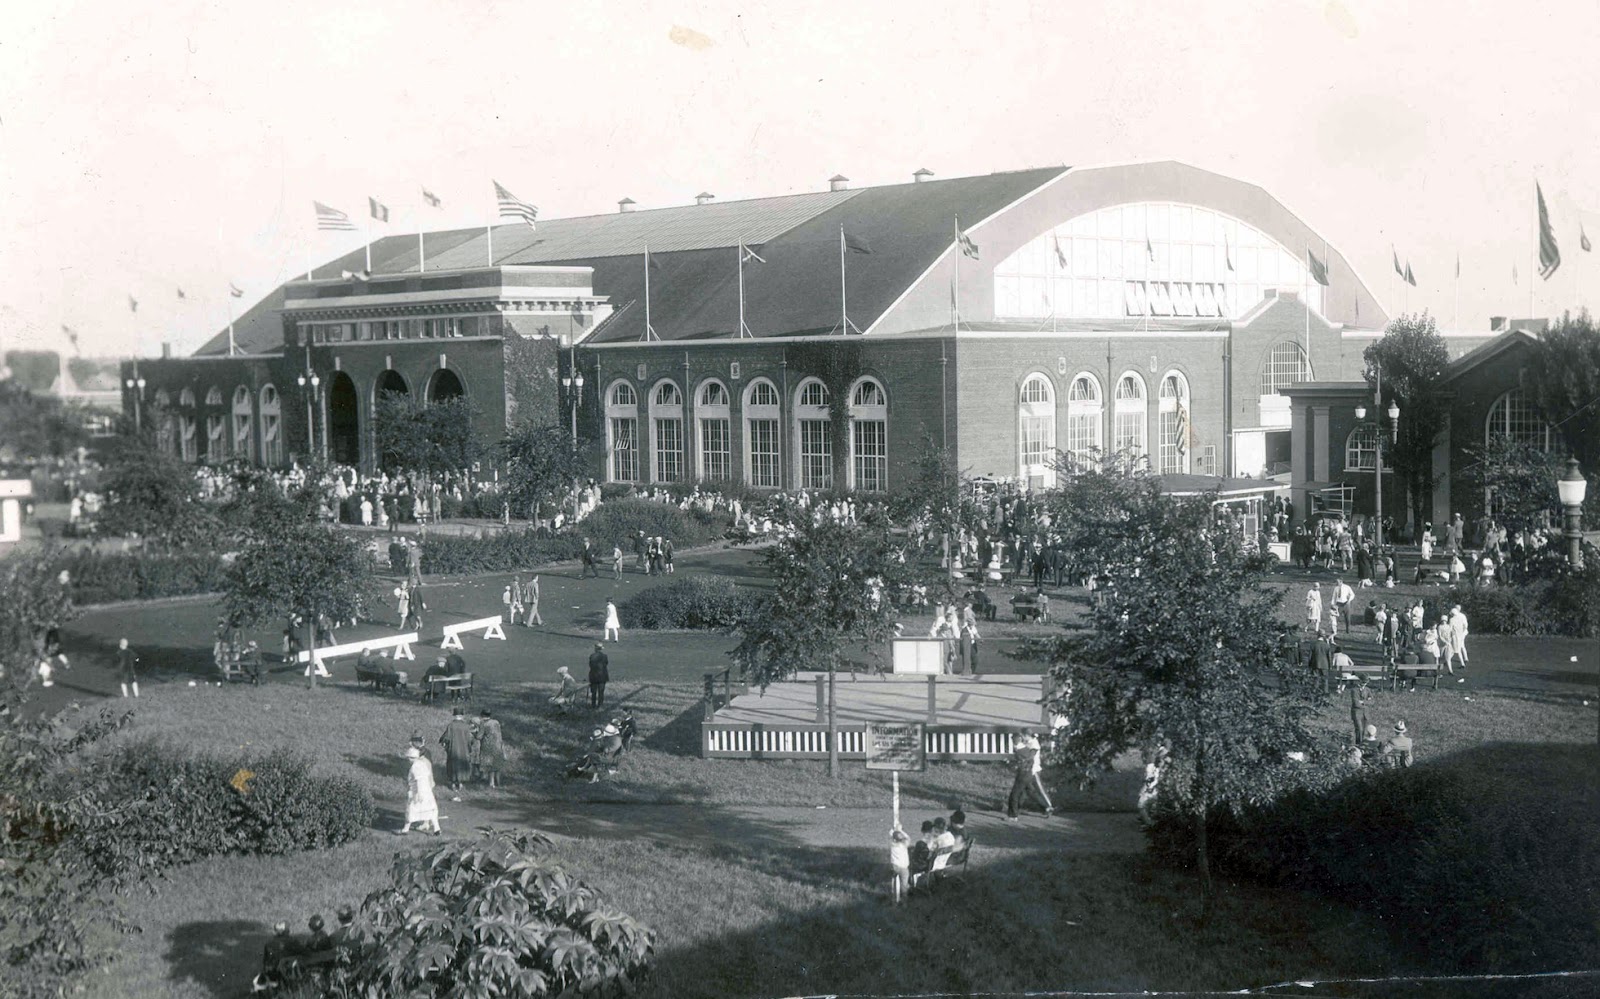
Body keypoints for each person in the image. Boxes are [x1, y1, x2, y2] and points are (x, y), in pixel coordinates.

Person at [401, 746, 441, 835]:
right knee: (430, 810)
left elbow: (419, 780)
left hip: (418, 792)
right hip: (427, 792)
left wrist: (418, 793)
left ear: (411, 758)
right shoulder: (422, 764)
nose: (408, 760)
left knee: (411, 810)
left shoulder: (415, 767)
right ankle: (436, 828)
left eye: (409, 758)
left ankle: (405, 829)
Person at [440, 707, 474, 797]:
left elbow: (446, 738)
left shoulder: (451, 725)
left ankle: (453, 784)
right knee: (462, 764)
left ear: (454, 715)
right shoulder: (466, 726)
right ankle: (461, 783)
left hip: (453, 749)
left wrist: (444, 743)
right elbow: (470, 739)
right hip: (464, 749)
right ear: (462, 716)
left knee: (453, 765)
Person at [476, 709, 505, 788]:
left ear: (482, 715)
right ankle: (498, 781)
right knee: (497, 764)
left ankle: (491, 783)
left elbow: (479, 736)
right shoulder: (496, 722)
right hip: (498, 745)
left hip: (488, 746)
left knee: (490, 765)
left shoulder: (483, 724)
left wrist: (475, 732)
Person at [889, 826, 912, 903]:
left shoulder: (892, 845)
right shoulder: (904, 845)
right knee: (904, 885)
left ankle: (894, 899)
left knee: (894, 883)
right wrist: (901, 830)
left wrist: (894, 830)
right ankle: (904, 902)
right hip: (903, 868)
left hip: (894, 867)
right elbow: (908, 838)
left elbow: (891, 834)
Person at [588, 643, 610, 708]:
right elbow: (606, 663)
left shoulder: (592, 656)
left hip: (594, 676)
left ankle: (593, 704)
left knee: (593, 692)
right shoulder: (605, 656)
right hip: (602, 676)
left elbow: (590, 665)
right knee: (601, 692)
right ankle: (600, 705)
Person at [1448, 604, 1470, 670]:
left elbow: (1450, 629)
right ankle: (1463, 661)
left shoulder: (1452, 620)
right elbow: (1465, 626)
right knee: (1459, 648)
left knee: (1454, 649)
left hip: (1455, 636)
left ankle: (1448, 660)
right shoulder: (1461, 618)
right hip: (1460, 635)